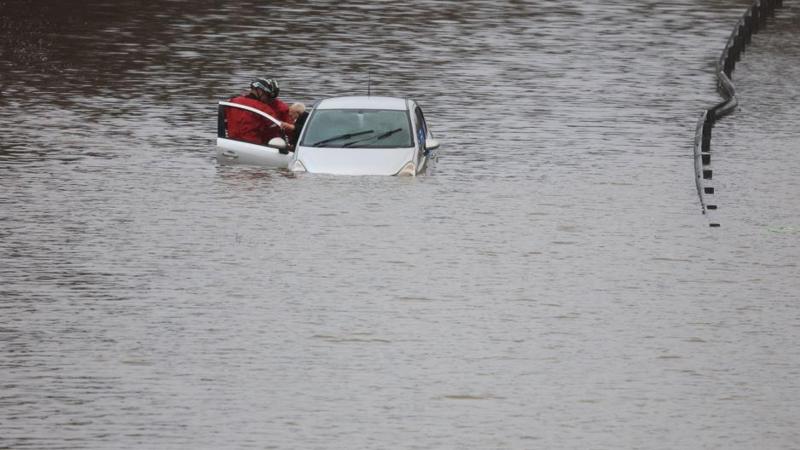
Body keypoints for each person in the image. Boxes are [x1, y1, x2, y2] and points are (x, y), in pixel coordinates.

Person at [226, 78, 294, 145]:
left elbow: (225, 122)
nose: (268, 100)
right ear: (260, 91)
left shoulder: (232, 102)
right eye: (267, 96)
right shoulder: (264, 108)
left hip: (231, 144)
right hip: (254, 146)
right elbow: (275, 130)